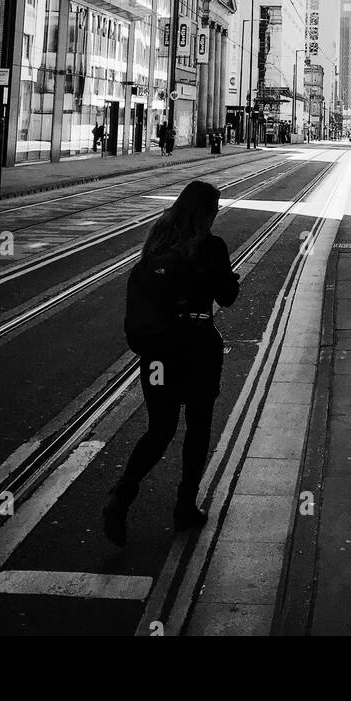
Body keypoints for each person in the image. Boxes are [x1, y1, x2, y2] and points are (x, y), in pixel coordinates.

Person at [103, 180, 239, 544]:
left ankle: (123, 493)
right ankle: (184, 507)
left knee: (160, 429)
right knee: (197, 428)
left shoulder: (158, 240)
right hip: (197, 351)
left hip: (158, 357)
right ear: (208, 212)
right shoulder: (211, 247)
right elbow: (227, 297)